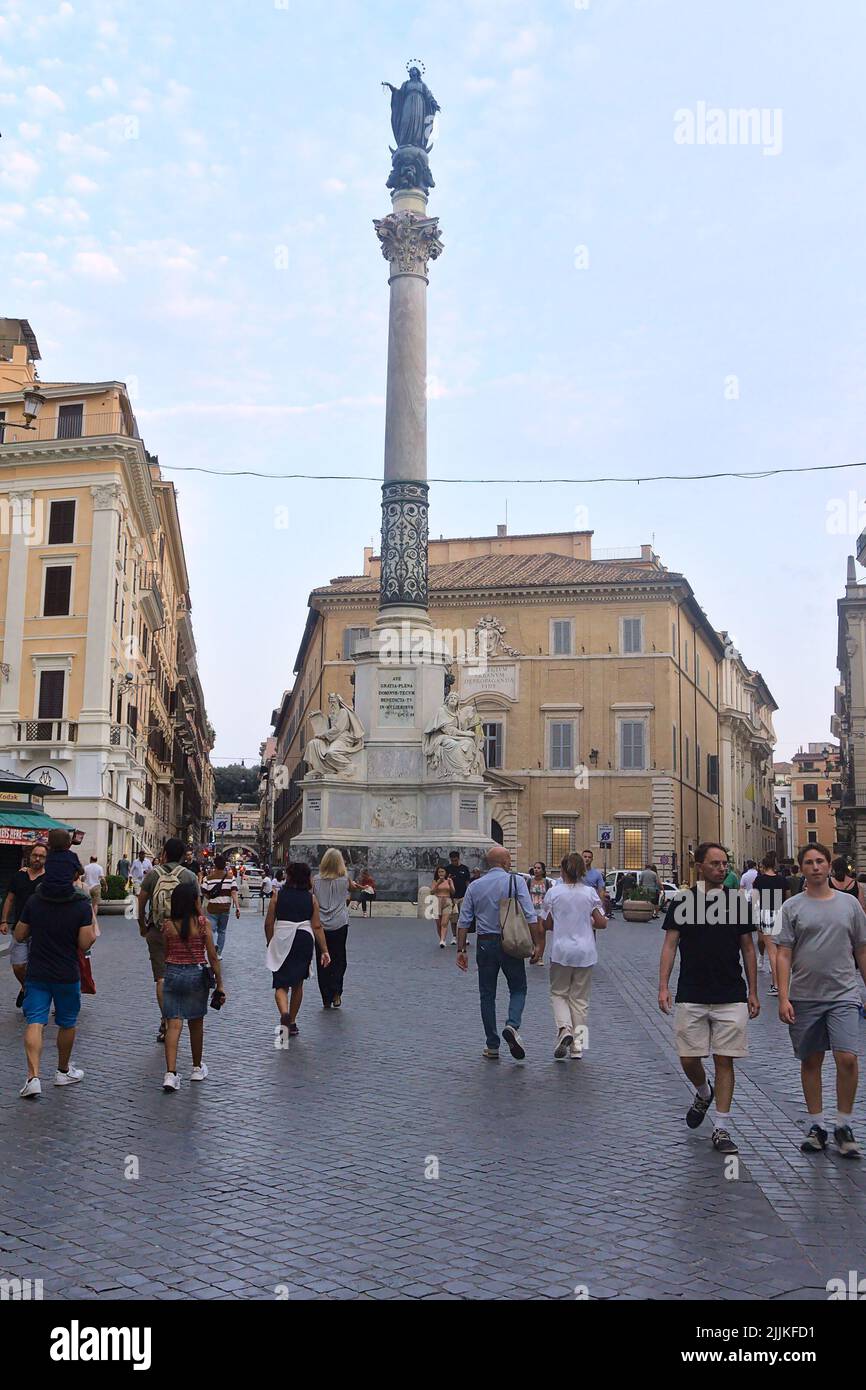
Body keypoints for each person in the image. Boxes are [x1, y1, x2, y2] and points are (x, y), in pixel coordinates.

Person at [658, 842, 759, 1156]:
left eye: (724, 863)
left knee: (724, 1059)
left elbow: (748, 947)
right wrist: (663, 986)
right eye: (715, 863)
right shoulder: (683, 901)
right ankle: (703, 1092)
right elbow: (670, 945)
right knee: (689, 1058)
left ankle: (721, 1127)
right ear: (699, 866)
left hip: (731, 992)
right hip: (692, 991)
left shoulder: (737, 901)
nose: (721, 868)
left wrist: (753, 991)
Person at [776, 843, 866, 1157]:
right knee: (811, 1061)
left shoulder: (849, 905)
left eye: (820, 861)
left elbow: (862, 949)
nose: (815, 867)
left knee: (847, 1058)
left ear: (829, 865)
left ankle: (843, 1124)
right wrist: (783, 996)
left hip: (844, 994)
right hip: (805, 996)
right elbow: (783, 953)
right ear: (801, 868)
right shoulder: (791, 907)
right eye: (809, 862)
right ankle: (817, 1126)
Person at [15, 851, 97, 1098]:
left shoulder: (35, 901)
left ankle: (33, 1077)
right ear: (72, 875)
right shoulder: (80, 905)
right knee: (67, 1022)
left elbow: (19, 934)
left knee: (35, 1021)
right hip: (66, 973)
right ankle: (63, 1071)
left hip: (38, 971)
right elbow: (85, 943)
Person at [456, 846, 543, 1061]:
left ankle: (492, 1045)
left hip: (485, 943)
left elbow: (464, 920)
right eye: (509, 859)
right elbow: (530, 915)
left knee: (487, 994)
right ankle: (512, 1025)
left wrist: (461, 949)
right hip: (510, 941)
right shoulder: (516, 881)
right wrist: (537, 944)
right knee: (518, 987)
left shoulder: (475, 886)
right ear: (504, 862)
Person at [160, 880, 224, 1092]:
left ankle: (170, 1074)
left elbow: (166, 952)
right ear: (194, 901)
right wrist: (220, 984)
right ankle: (196, 1068)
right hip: (196, 975)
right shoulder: (203, 924)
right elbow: (212, 957)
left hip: (172, 973)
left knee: (173, 1024)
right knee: (196, 1025)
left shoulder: (168, 925)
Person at [542, 852, 607, 1060]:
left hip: (561, 950)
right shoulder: (590, 893)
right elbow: (602, 922)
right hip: (585, 951)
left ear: (562, 870)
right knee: (581, 1000)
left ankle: (564, 1028)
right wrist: (588, 919)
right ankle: (579, 1047)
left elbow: (546, 924)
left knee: (559, 993)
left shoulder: (553, 892)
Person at [138, 838, 199, 1044]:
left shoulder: (153, 874)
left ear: (164, 853)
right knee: (182, 972)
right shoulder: (189, 876)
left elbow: (141, 901)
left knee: (161, 978)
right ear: (183, 856)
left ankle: (166, 1019)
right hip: (183, 932)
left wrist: (142, 925)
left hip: (158, 929)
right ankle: (180, 1015)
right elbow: (198, 907)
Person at [265, 862, 330, 1036]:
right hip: (304, 938)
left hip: (282, 937)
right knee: (298, 983)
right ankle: (292, 1022)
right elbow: (317, 926)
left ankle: (284, 1013)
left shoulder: (278, 896)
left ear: (289, 876)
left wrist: (270, 942)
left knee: (280, 983)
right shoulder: (311, 898)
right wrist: (324, 950)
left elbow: (269, 922)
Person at [312, 849, 360, 1008]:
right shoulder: (345, 880)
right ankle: (336, 992)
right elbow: (354, 888)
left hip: (320, 925)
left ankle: (326, 997)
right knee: (339, 958)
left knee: (322, 959)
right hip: (339, 923)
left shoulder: (315, 880)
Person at [1, 843, 46, 1008]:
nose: (37, 859)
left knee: (36, 967)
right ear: (29, 856)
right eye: (35, 855)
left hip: (40, 931)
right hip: (19, 929)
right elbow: (9, 899)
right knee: (18, 966)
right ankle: (26, 987)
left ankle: (33, 997)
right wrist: (3, 920)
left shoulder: (48, 879)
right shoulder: (19, 876)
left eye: (42, 856)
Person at [751, 853, 785, 996]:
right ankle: (783, 984)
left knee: (772, 952)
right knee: (781, 952)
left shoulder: (759, 880)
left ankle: (776, 985)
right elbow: (787, 898)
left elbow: (754, 900)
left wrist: (755, 918)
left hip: (766, 913)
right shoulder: (782, 879)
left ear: (763, 866)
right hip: (780, 912)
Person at [200, 855, 241, 959]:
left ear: (215, 865)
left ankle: (213, 946)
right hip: (225, 908)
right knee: (222, 931)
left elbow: (203, 892)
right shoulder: (231, 878)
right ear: (225, 865)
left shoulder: (208, 878)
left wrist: (210, 897)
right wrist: (237, 908)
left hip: (212, 908)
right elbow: (234, 893)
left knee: (211, 930)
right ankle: (218, 954)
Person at [525, 862, 553, 964]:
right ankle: (534, 953)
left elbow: (550, 897)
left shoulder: (547, 882)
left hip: (542, 911)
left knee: (541, 933)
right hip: (531, 911)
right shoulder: (529, 881)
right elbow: (525, 895)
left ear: (543, 870)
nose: (536, 870)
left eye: (538, 868)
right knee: (533, 933)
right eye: (535, 868)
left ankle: (540, 956)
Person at [427, 865, 456, 948]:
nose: (441, 873)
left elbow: (453, 892)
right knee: (438, 923)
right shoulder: (435, 881)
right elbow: (432, 892)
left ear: (445, 873)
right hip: (437, 901)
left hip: (447, 901)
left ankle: (443, 940)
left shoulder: (449, 880)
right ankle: (441, 939)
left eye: (442, 871)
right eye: (439, 872)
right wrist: (438, 884)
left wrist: (450, 884)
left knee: (444, 923)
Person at [447, 851, 471, 941]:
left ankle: (464, 937)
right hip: (452, 897)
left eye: (456, 860)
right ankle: (454, 936)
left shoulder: (464, 868)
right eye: (452, 860)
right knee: (453, 918)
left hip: (463, 896)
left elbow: (467, 882)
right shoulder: (448, 869)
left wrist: (468, 895)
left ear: (459, 859)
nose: (454, 862)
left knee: (463, 918)